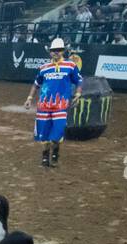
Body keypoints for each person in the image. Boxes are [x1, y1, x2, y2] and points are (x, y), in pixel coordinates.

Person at [24, 37, 82, 168]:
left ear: (63, 51)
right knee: (43, 134)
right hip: (44, 106)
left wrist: (78, 94)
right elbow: (36, 84)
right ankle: (45, 156)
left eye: (59, 50)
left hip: (60, 106)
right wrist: (29, 98)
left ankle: (55, 153)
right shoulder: (43, 68)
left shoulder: (70, 66)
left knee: (56, 134)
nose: (56, 52)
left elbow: (79, 81)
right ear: (50, 52)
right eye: (53, 50)